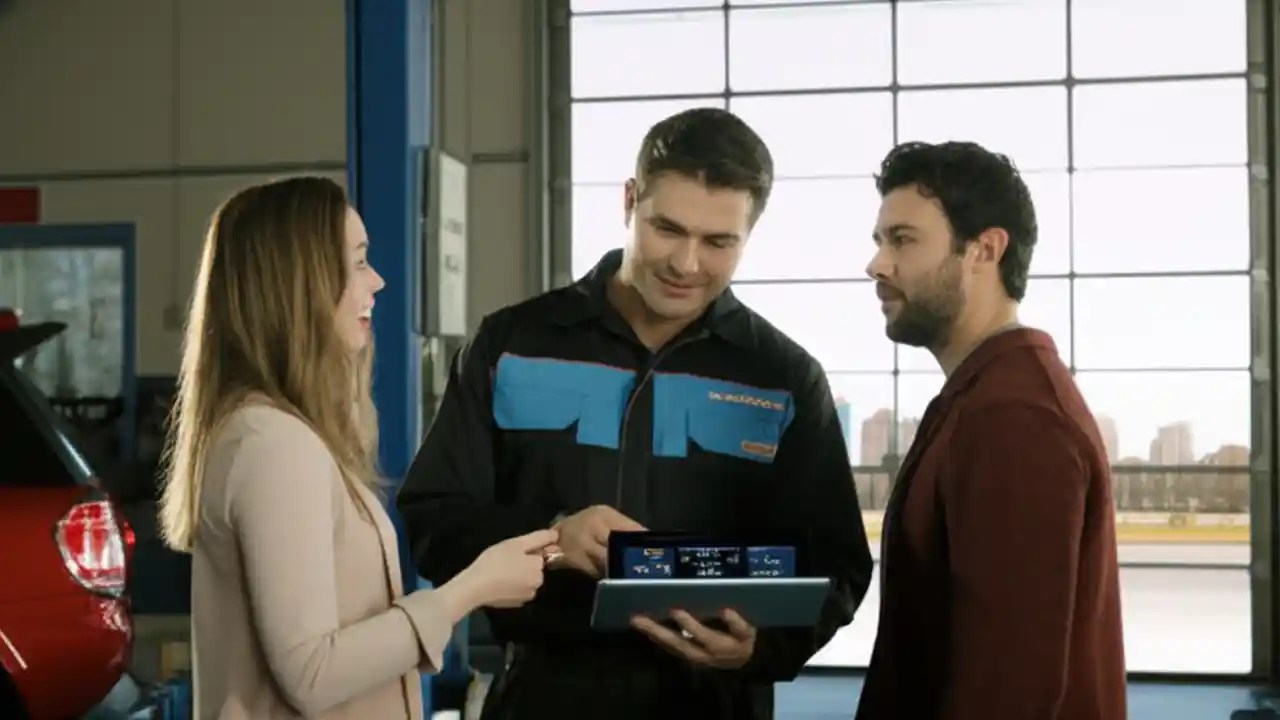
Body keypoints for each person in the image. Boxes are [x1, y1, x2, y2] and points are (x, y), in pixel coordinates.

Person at [397, 108, 874, 720]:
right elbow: (433, 521)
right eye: (667, 229)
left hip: (714, 707)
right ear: (629, 201)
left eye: (718, 242)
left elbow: (837, 565)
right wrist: (552, 540)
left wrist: (765, 648)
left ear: (749, 235)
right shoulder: (511, 345)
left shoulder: (783, 378)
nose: (687, 263)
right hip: (544, 697)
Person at [157, 176, 560, 720]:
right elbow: (312, 672)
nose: (378, 281)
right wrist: (470, 590)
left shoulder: (272, 433)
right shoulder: (272, 444)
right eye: (358, 262)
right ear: (297, 284)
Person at [856, 141, 1126, 719]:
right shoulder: (984, 397)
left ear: (984, 249)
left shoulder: (1014, 420)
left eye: (902, 240)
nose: (876, 264)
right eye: (879, 241)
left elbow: (1009, 689)